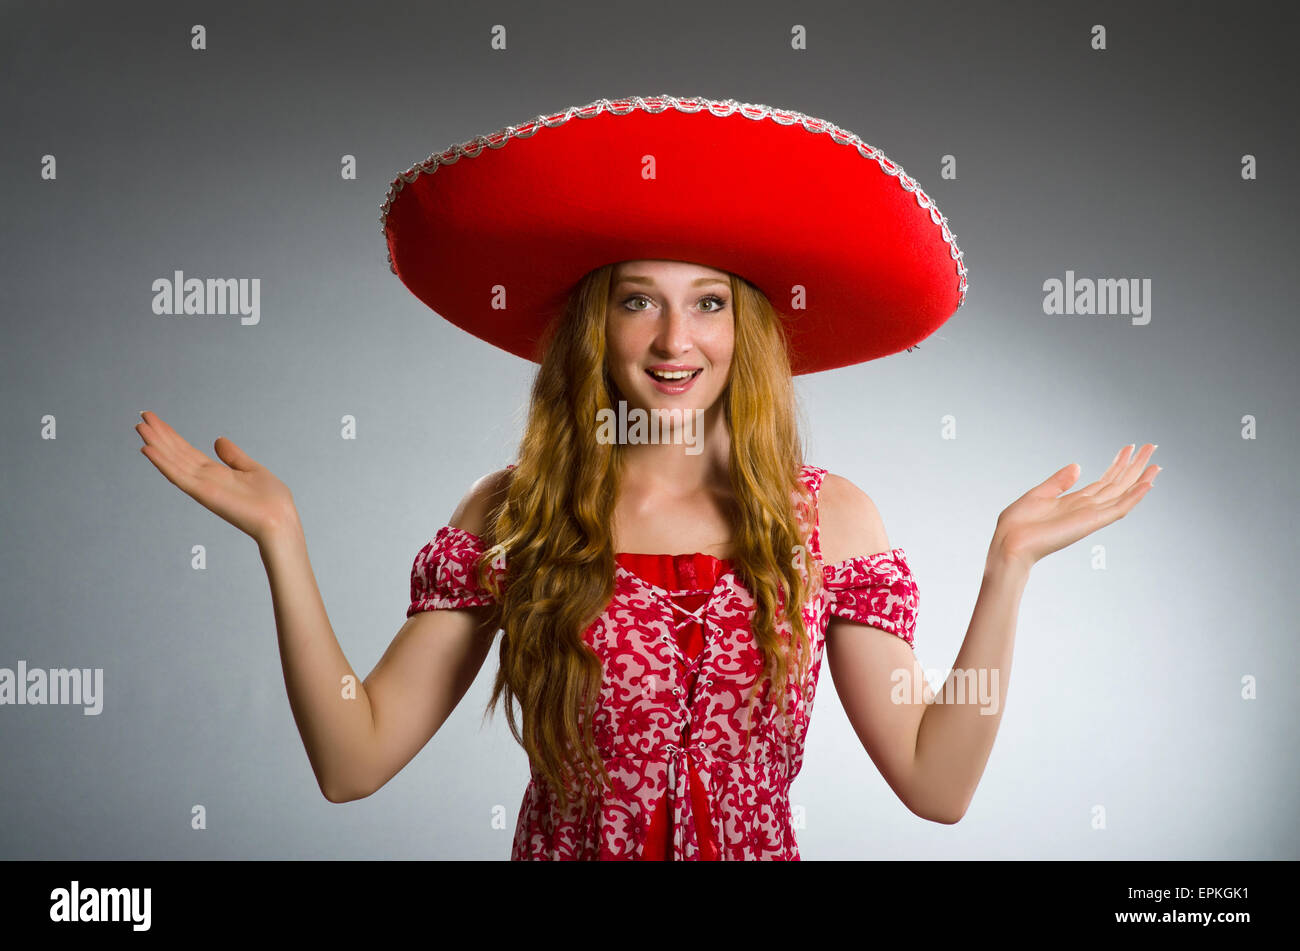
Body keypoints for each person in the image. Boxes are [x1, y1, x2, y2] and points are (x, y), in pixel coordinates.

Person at [135, 95, 1160, 860]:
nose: (675, 339)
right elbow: (352, 763)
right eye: (639, 301)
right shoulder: (512, 514)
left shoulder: (829, 519)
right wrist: (282, 540)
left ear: (746, 331)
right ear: (595, 325)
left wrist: (1007, 567)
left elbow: (937, 786)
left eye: (709, 304)